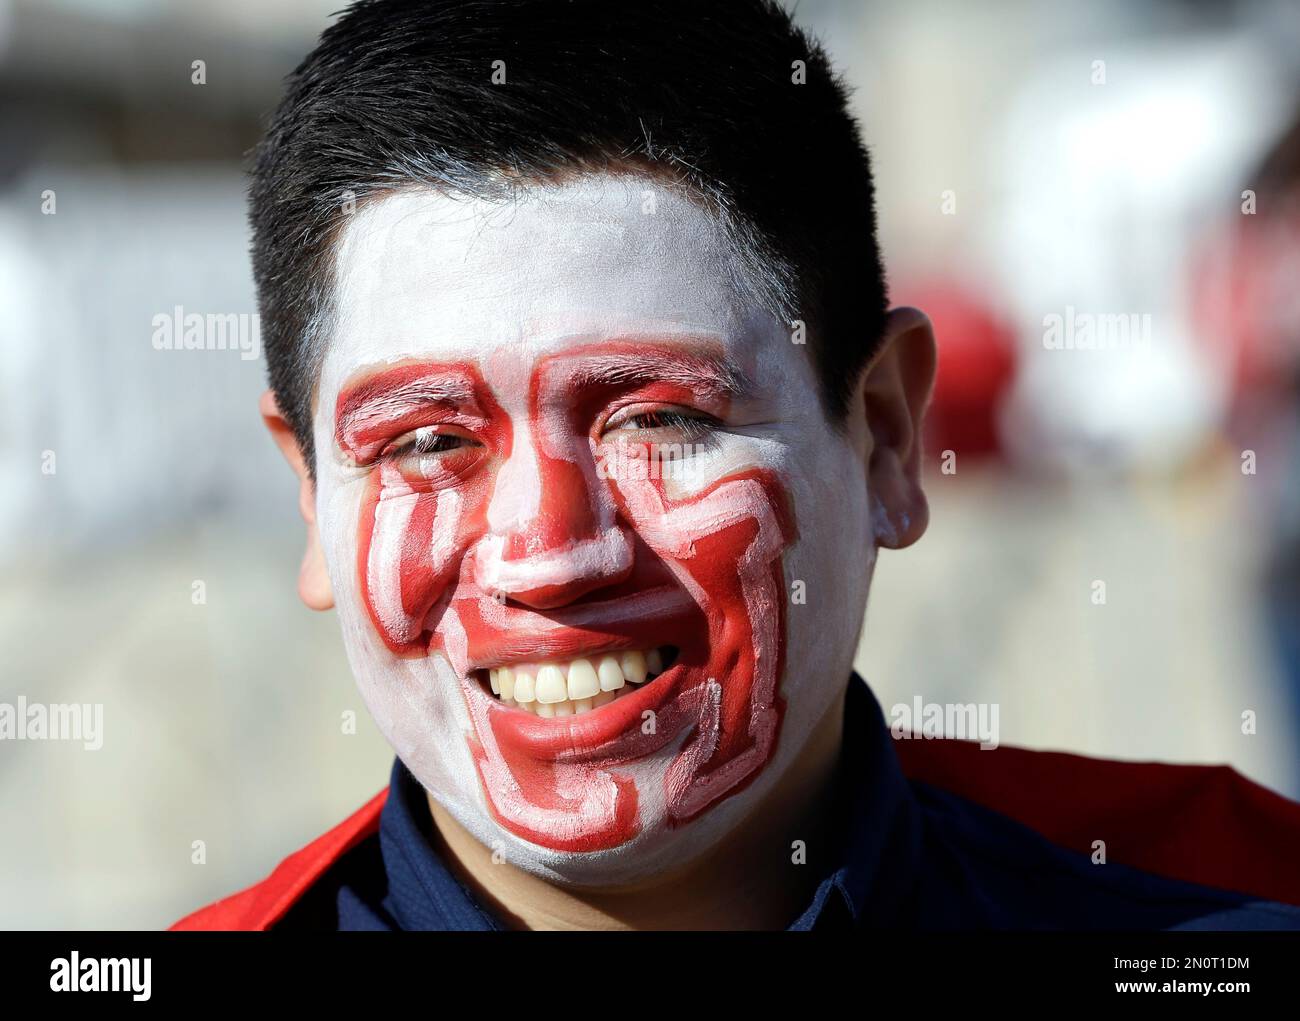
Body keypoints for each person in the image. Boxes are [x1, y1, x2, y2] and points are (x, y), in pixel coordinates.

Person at [173, 0, 1300, 930]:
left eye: (657, 419)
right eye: (427, 442)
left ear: (885, 437)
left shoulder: (1228, 899)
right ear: (314, 494)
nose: (550, 555)